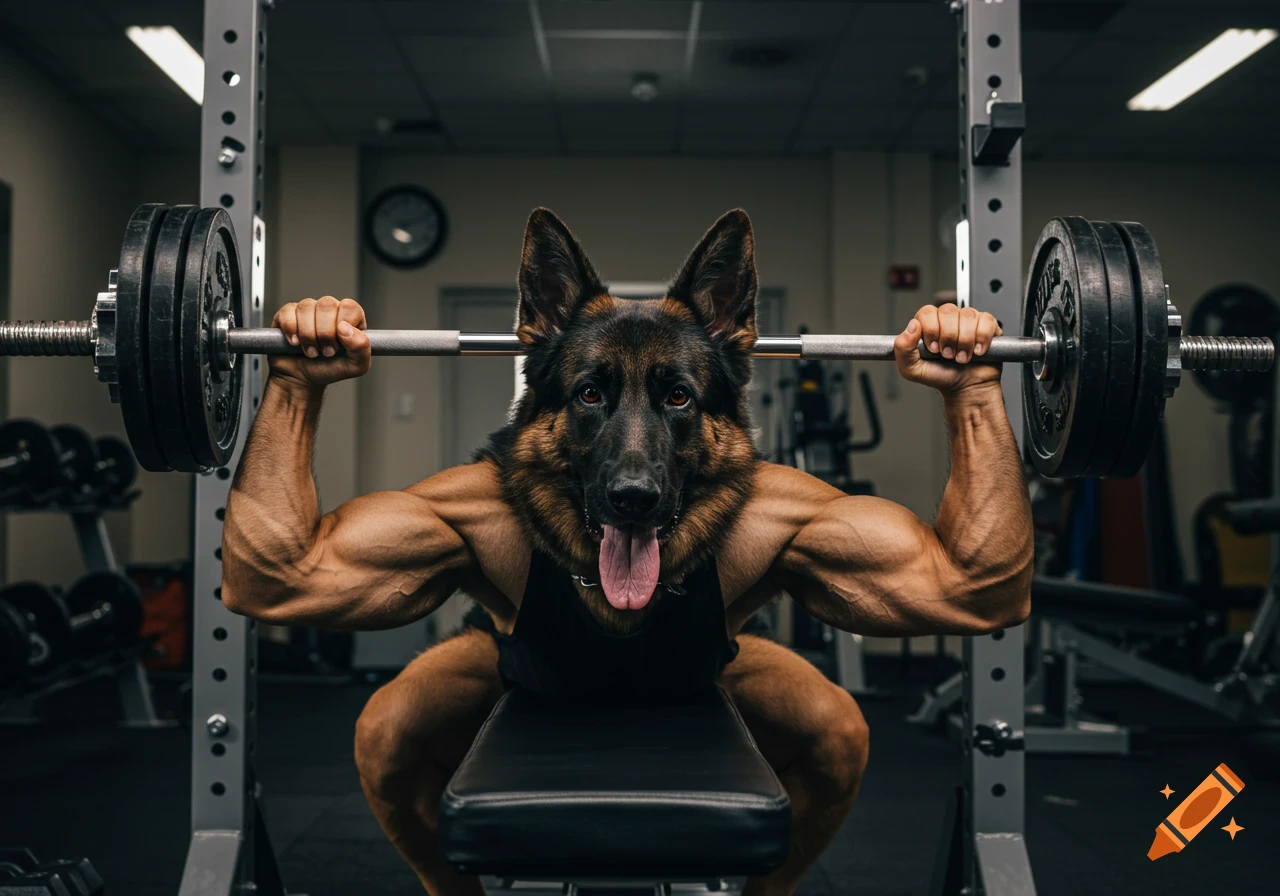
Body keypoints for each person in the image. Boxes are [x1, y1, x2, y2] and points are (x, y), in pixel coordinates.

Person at [221, 209, 1032, 896]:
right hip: (520, 664)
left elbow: (978, 592)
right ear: (544, 404)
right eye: (591, 395)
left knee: (838, 732)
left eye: (677, 397)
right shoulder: (485, 515)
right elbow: (271, 581)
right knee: (384, 732)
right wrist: (294, 387)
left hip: (701, 668)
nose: (634, 469)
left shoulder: (767, 518)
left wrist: (974, 391)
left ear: (719, 411)